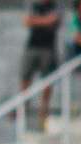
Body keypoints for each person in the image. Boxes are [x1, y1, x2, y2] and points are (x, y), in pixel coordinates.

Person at [21, 0, 61, 129]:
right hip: (32, 46)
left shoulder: (55, 6)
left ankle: (44, 109)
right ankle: (24, 106)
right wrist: (44, 21)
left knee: (47, 79)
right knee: (25, 76)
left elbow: (54, 20)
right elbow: (27, 21)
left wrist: (36, 21)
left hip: (48, 48)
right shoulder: (34, 5)